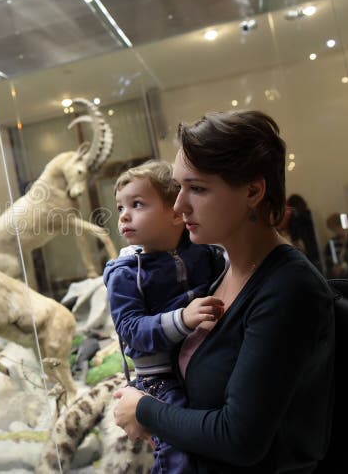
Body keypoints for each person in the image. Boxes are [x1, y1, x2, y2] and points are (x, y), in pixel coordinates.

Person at [113, 110, 334, 473]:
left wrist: (144, 410)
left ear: (253, 190)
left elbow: (239, 437)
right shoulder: (224, 268)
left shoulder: (288, 288)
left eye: (197, 188)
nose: (180, 204)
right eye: (178, 187)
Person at [105, 160, 226, 474]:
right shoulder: (125, 274)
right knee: (177, 454)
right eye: (120, 208)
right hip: (159, 379)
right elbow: (130, 329)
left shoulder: (203, 252)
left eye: (137, 204)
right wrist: (182, 319)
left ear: (176, 213)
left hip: (198, 365)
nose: (124, 216)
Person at [282, 194, 323, 273]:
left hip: (305, 252)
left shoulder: (294, 219)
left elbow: (294, 238)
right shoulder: (310, 215)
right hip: (315, 250)